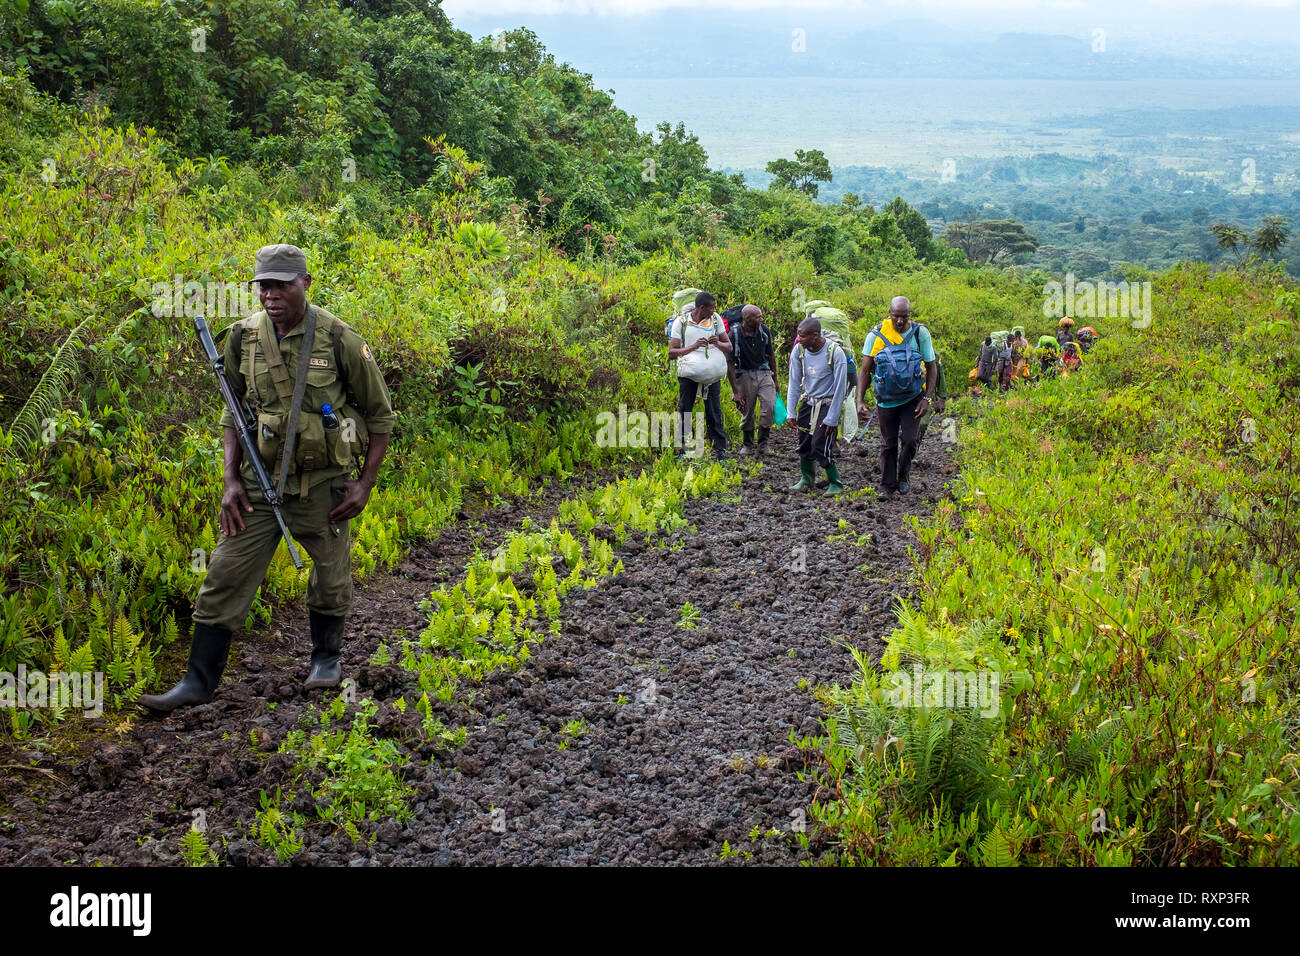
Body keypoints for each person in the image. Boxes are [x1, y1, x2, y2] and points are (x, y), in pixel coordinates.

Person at [141, 244, 395, 713]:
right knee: (223, 573)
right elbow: (232, 411)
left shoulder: (339, 338)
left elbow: (380, 415)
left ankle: (326, 661)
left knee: (331, 577)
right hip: (259, 484)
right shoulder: (243, 337)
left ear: (305, 284)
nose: (272, 295)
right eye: (264, 286)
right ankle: (197, 683)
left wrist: (365, 483)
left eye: (282, 284)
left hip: (325, 483)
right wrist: (230, 480)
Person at [856, 296, 937, 499]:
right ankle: (886, 485)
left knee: (910, 440)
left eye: (904, 316)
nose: (900, 321)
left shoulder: (920, 333)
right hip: (886, 400)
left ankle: (903, 475)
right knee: (888, 443)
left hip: (913, 398)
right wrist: (859, 400)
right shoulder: (876, 335)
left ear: (910, 315)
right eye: (895, 317)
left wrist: (927, 398)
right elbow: (865, 370)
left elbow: (932, 366)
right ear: (889, 314)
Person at [786, 317, 847, 496]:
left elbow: (840, 388)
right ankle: (807, 479)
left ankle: (835, 482)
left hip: (828, 403)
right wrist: (791, 411)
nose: (799, 339)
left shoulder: (835, 352)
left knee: (820, 442)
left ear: (815, 335)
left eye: (803, 336)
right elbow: (794, 381)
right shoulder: (799, 351)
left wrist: (832, 418)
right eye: (798, 335)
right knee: (804, 442)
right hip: (809, 401)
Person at [668, 291, 732, 459]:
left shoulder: (715, 320)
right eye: (712, 307)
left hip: (712, 373)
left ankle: (719, 451)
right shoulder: (680, 323)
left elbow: (729, 346)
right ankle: (684, 448)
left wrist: (717, 343)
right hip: (688, 373)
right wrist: (694, 346)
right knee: (685, 409)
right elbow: (672, 352)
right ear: (701, 307)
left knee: (713, 410)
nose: (714, 310)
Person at [727, 304, 777, 456]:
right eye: (758, 317)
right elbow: (729, 364)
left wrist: (775, 380)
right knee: (747, 411)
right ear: (747, 319)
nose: (761, 319)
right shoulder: (734, 335)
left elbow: (771, 355)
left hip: (764, 372)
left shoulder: (764, 331)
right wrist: (735, 390)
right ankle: (747, 444)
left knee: (769, 406)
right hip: (744, 374)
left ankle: (763, 443)